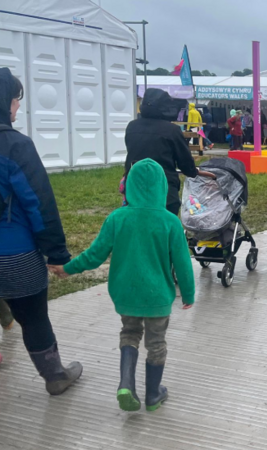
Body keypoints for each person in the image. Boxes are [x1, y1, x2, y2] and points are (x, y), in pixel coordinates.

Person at [50, 159, 195, 412]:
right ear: (163, 187)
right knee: (156, 343)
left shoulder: (117, 218)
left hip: (126, 294)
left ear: (129, 186)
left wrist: (67, 268)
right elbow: (183, 263)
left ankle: (126, 384)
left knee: (129, 334)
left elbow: (94, 255)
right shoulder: (170, 221)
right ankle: (153, 394)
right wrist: (189, 294)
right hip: (158, 297)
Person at [0, 67, 82, 394]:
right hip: (14, 254)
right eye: (17, 100)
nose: (18, 107)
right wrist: (57, 254)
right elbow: (39, 204)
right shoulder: (15, 145)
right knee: (33, 318)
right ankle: (56, 377)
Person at [125, 88, 215, 216]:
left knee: (136, 218)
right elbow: (184, 160)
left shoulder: (132, 126)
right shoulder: (171, 130)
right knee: (165, 220)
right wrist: (192, 171)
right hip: (163, 185)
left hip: (135, 182)